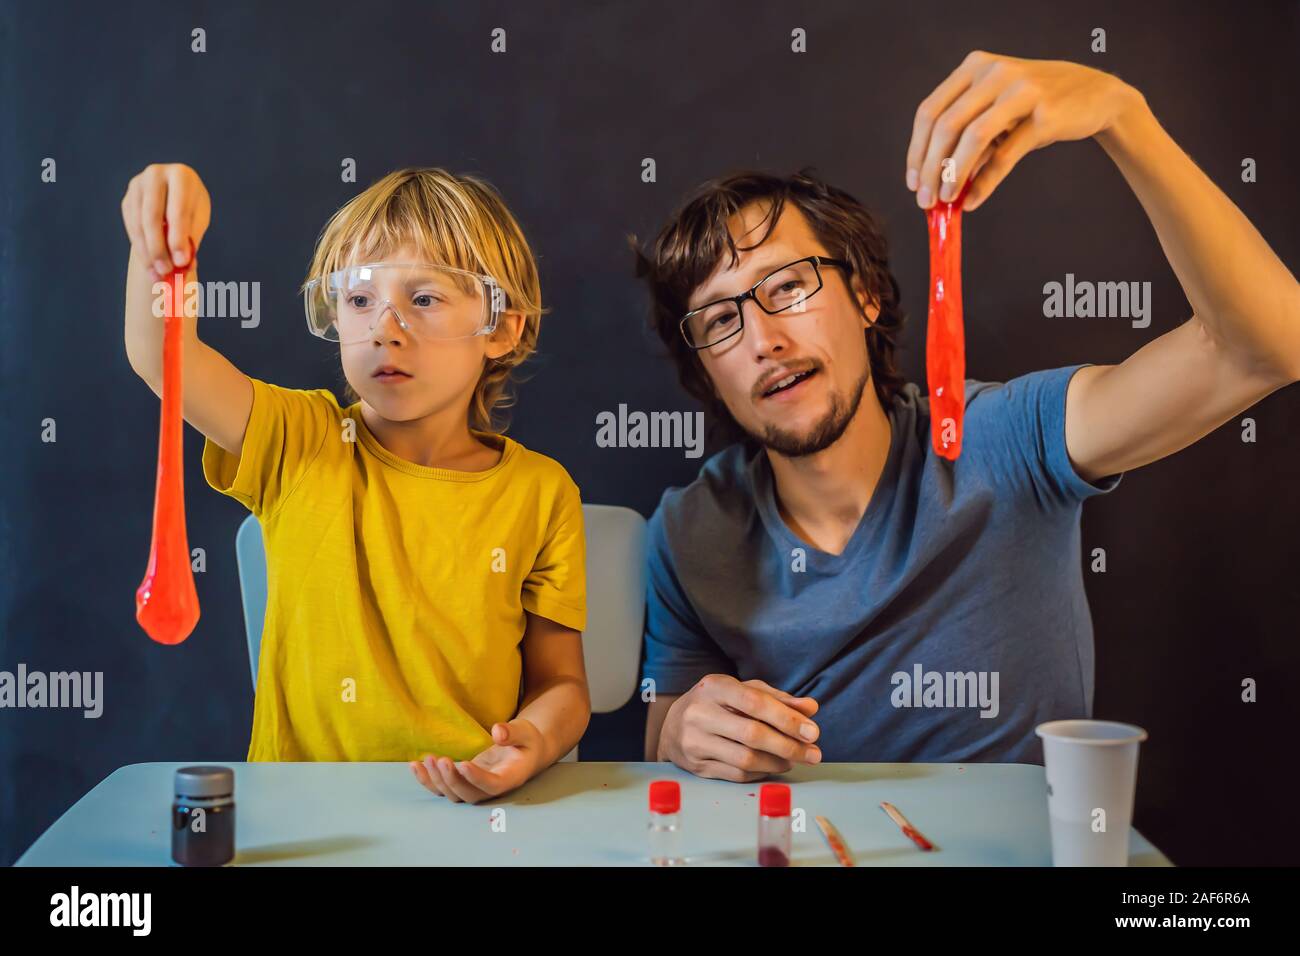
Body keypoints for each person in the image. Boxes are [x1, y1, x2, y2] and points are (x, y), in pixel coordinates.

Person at [632, 51, 1300, 781]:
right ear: (703, 369)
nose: (765, 341)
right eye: (720, 321)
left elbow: (1265, 350)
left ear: (865, 298)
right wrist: (679, 731)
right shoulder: (687, 530)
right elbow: (665, 728)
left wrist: (1122, 116)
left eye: (788, 287)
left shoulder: (1006, 441)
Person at [121, 165, 589, 803]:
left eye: (425, 299)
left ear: (502, 328)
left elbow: (560, 683)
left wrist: (528, 745)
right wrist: (160, 251)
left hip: (470, 818)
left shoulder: (542, 491)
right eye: (359, 299)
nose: (384, 329)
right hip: (300, 815)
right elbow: (161, 356)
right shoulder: (299, 440)